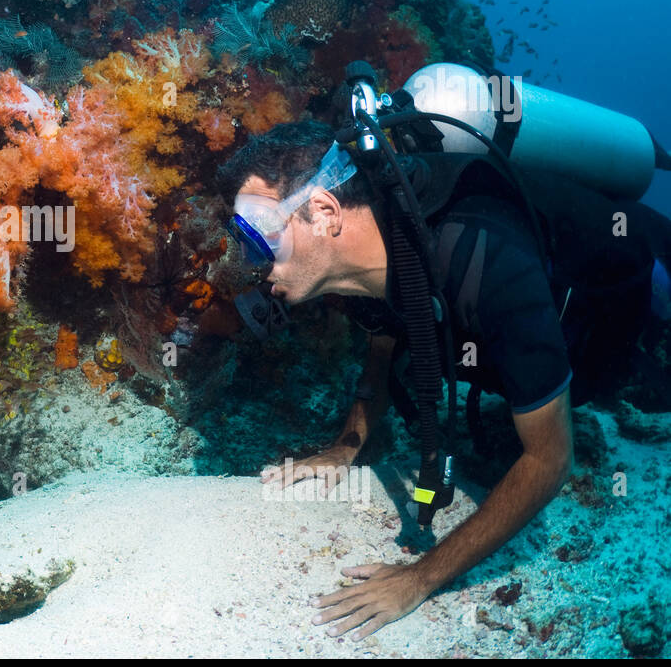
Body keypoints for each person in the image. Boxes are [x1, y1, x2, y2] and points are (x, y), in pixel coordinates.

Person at [217, 118, 671, 640]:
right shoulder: (383, 253)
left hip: (646, 303)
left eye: (258, 237)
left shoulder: (486, 260)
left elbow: (550, 459)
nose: (255, 263)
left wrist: (419, 579)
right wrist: (345, 447)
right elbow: (381, 349)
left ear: (324, 212)